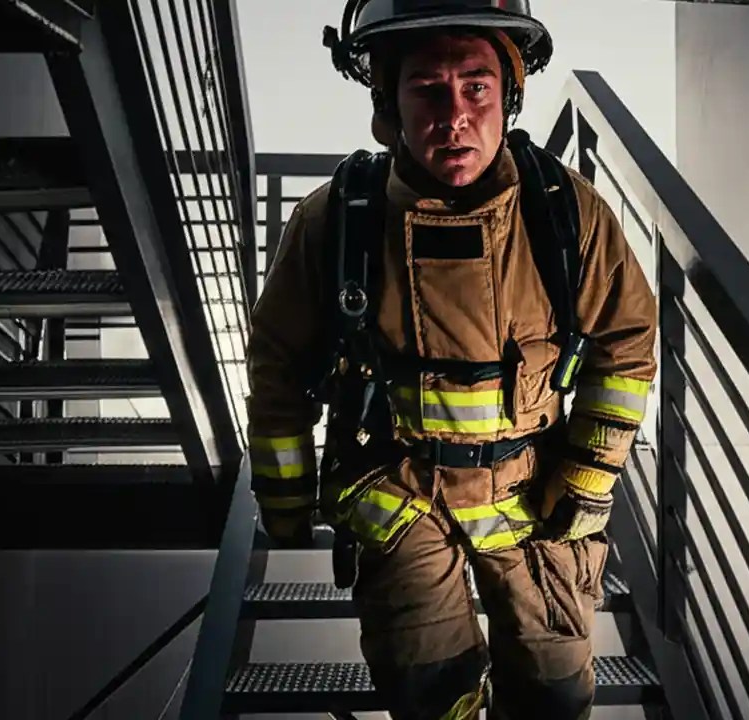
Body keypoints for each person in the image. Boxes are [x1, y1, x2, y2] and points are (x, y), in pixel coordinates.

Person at [244, 1, 657, 717]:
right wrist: (285, 503)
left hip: (535, 496)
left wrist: (588, 475)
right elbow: (277, 367)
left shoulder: (567, 213)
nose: (454, 114)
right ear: (388, 103)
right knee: (429, 697)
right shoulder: (333, 221)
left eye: (476, 88)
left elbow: (626, 344)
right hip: (399, 500)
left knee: (554, 698)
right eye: (427, 90)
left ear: (509, 96)